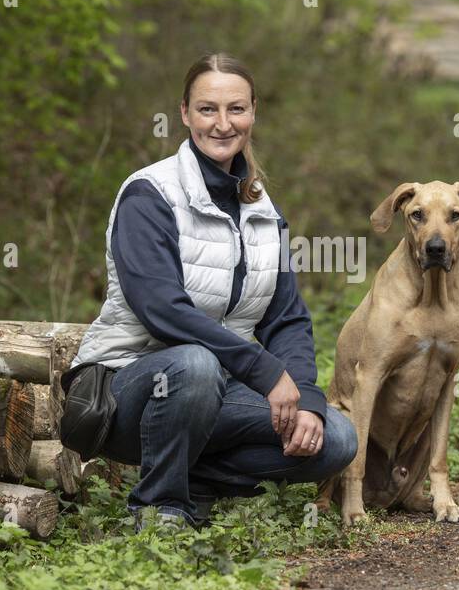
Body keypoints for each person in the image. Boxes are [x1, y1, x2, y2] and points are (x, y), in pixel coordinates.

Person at [65, 52, 356, 528]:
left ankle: (191, 479)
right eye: (207, 109)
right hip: (122, 393)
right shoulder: (149, 195)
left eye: (236, 109)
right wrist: (262, 369)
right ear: (184, 113)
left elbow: (288, 320)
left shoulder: (262, 209)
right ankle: (159, 509)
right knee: (194, 364)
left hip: (216, 392)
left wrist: (304, 396)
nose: (223, 124)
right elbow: (163, 310)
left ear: (253, 112)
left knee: (336, 438)